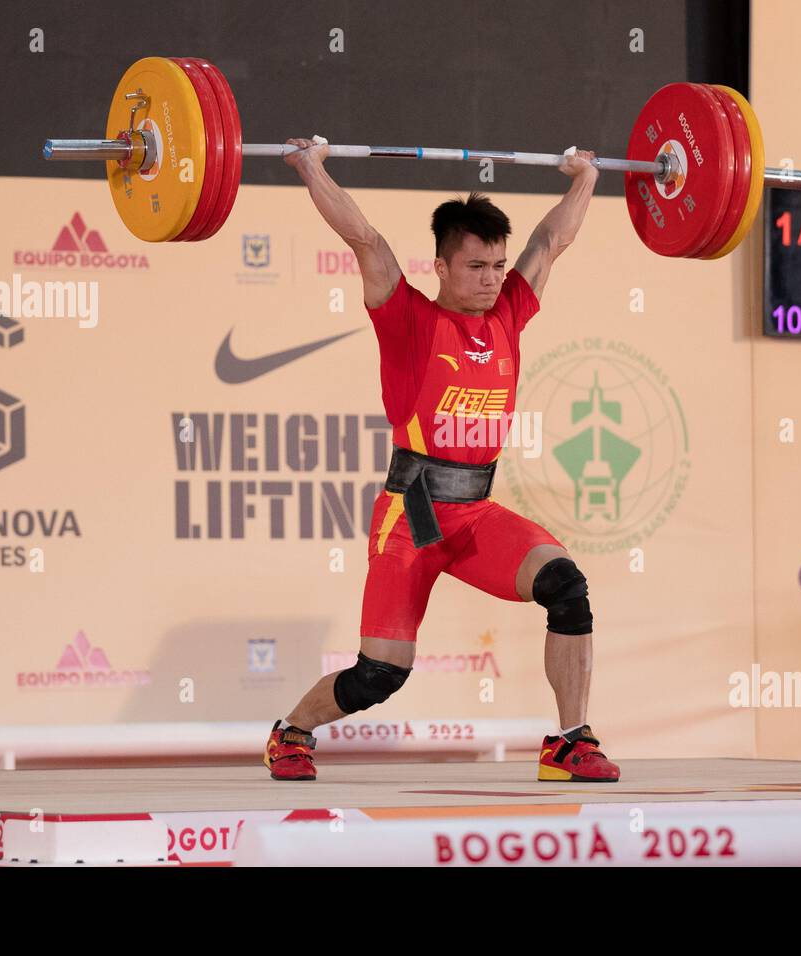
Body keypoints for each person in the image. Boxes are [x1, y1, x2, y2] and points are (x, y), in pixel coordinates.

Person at [264, 137, 619, 784]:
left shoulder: (508, 312)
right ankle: (292, 730)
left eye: (496, 266)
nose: (491, 279)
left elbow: (549, 244)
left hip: (475, 510)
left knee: (567, 589)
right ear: (441, 267)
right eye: (476, 267)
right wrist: (310, 166)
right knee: (381, 675)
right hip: (415, 512)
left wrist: (585, 177)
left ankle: (569, 743)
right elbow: (367, 241)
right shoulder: (408, 321)